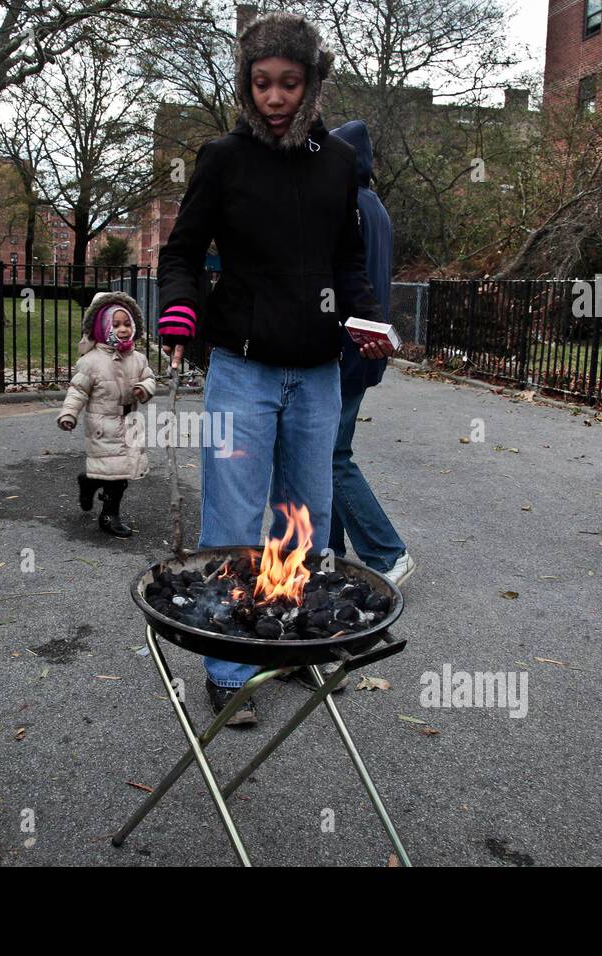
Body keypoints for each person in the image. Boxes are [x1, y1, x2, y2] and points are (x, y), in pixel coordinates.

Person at [156, 13, 385, 725]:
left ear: (311, 85)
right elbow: (182, 252)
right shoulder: (223, 158)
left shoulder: (337, 163)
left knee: (303, 521)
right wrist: (180, 308)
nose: (275, 97)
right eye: (262, 83)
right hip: (243, 371)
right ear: (246, 84)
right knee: (232, 521)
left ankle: (289, 641)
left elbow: (346, 262)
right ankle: (228, 670)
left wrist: (367, 317)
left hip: (317, 373)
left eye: (289, 83)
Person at [328, 120, 415, 589]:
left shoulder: (349, 207)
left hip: (347, 349)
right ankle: (329, 555)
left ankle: (387, 551)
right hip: (365, 347)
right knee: (329, 453)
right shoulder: (375, 207)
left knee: (329, 457)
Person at [58, 291, 157, 538]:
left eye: (127, 324)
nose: (123, 329)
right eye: (116, 325)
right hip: (102, 425)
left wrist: (143, 389)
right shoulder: (90, 362)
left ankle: (89, 481)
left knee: (120, 472)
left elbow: (150, 379)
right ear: (103, 328)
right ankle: (109, 515)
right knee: (117, 477)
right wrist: (69, 414)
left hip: (130, 423)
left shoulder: (138, 358)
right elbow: (77, 391)